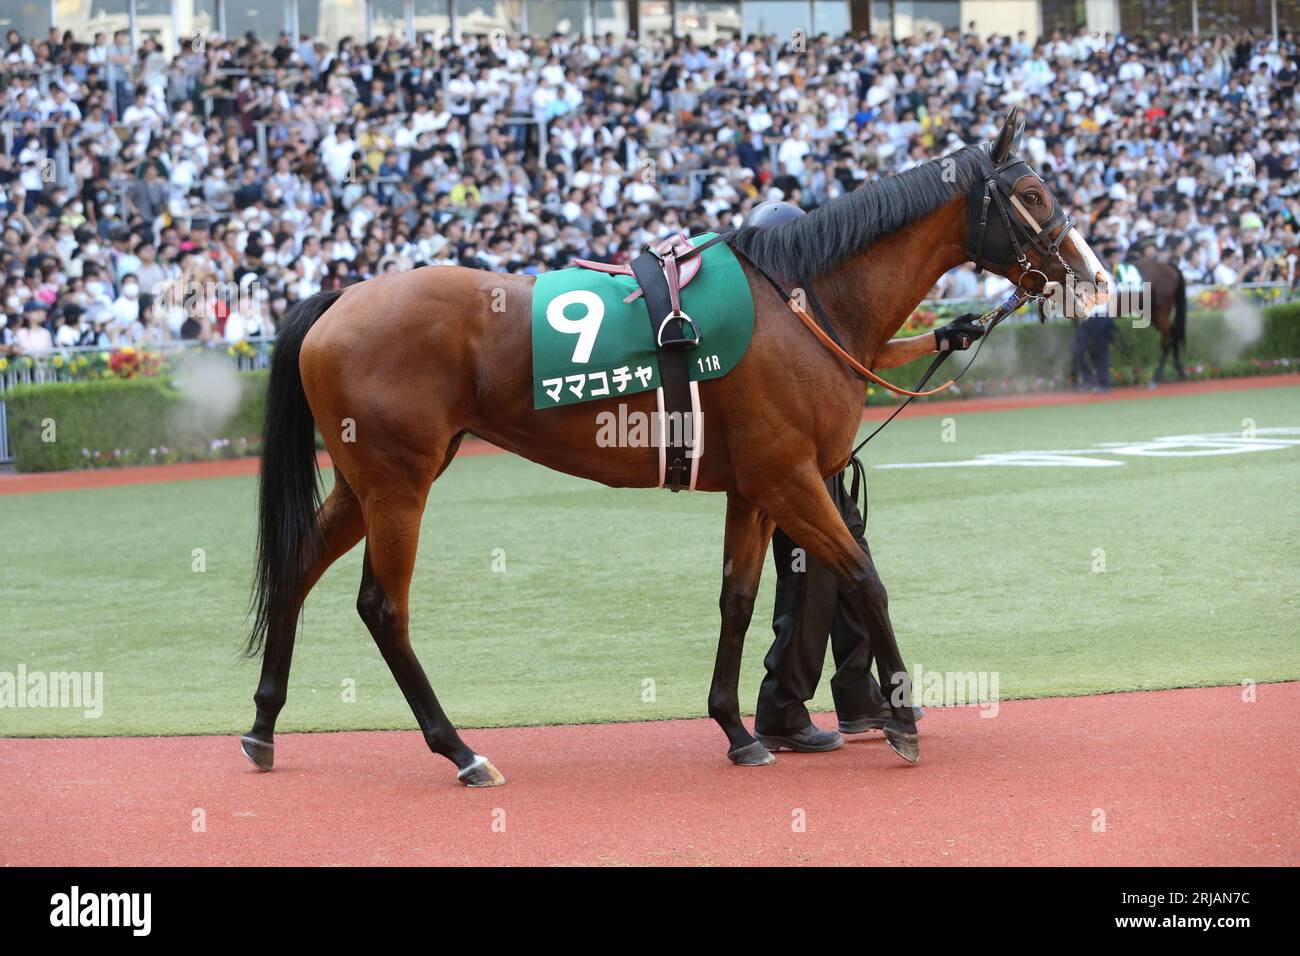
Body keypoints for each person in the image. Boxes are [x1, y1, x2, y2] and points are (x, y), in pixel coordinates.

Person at [743, 201, 986, 752]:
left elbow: (868, 356)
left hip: (820, 462)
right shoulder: (772, 318)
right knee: (812, 584)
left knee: (855, 572)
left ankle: (857, 696)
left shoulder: (807, 309)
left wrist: (941, 339)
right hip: (791, 466)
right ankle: (780, 709)